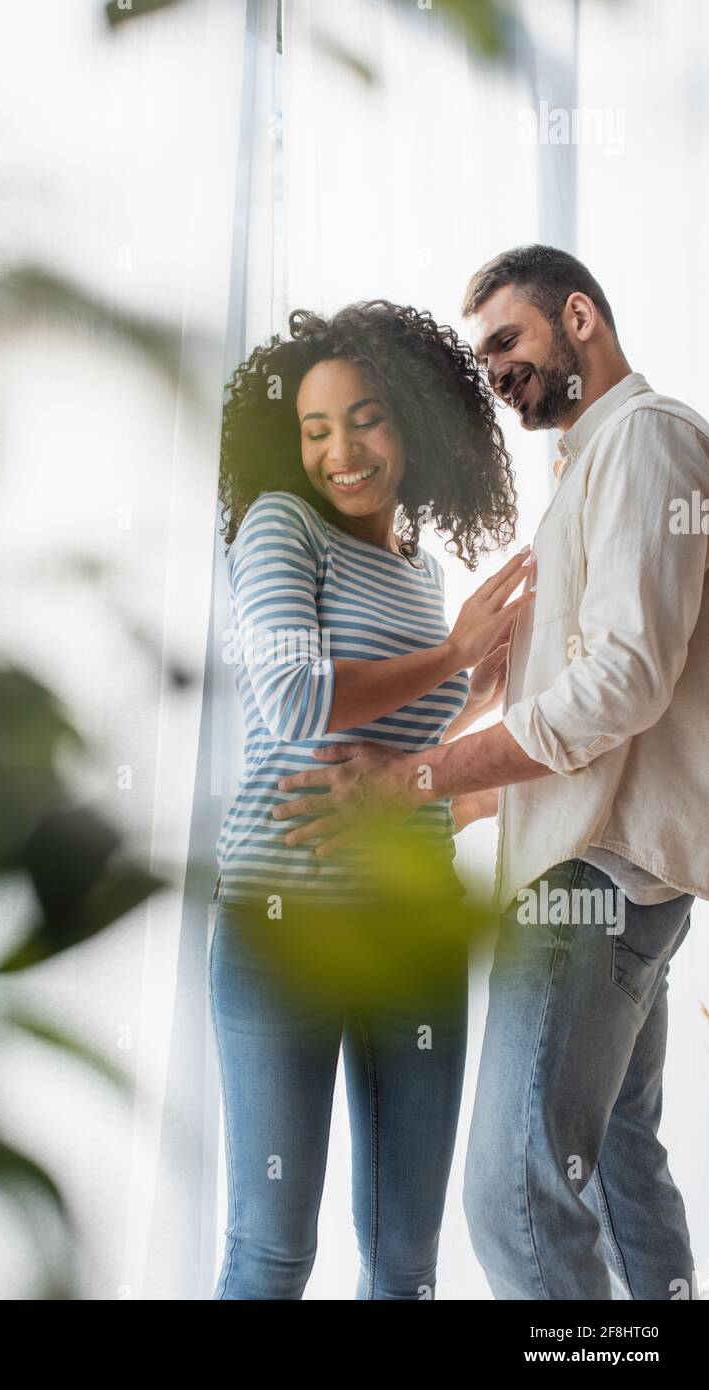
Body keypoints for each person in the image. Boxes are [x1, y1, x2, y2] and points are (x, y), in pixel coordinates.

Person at [276, 247, 708, 1300]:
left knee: (513, 1207)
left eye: (508, 340)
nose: (498, 369)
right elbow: (599, 724)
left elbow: (620, 688)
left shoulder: (644, 443)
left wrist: (415, 777)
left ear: (580, 317)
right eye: (483, 355)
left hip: (590, 885)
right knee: (613, 1169)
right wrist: (447, 794)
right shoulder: (598, 466)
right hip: (611, 873)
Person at [209, 299, 532, 1299]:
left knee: (404, 1257)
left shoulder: (422, 569)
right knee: (273, 1249)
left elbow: (404, 740)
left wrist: (484, 679)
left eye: (366, 418)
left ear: (419, 424)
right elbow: (298, 700)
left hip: (416, 926)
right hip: (286, 919)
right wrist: (453, 653)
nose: (339, 449)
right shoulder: (279, 526)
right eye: (314, 427)